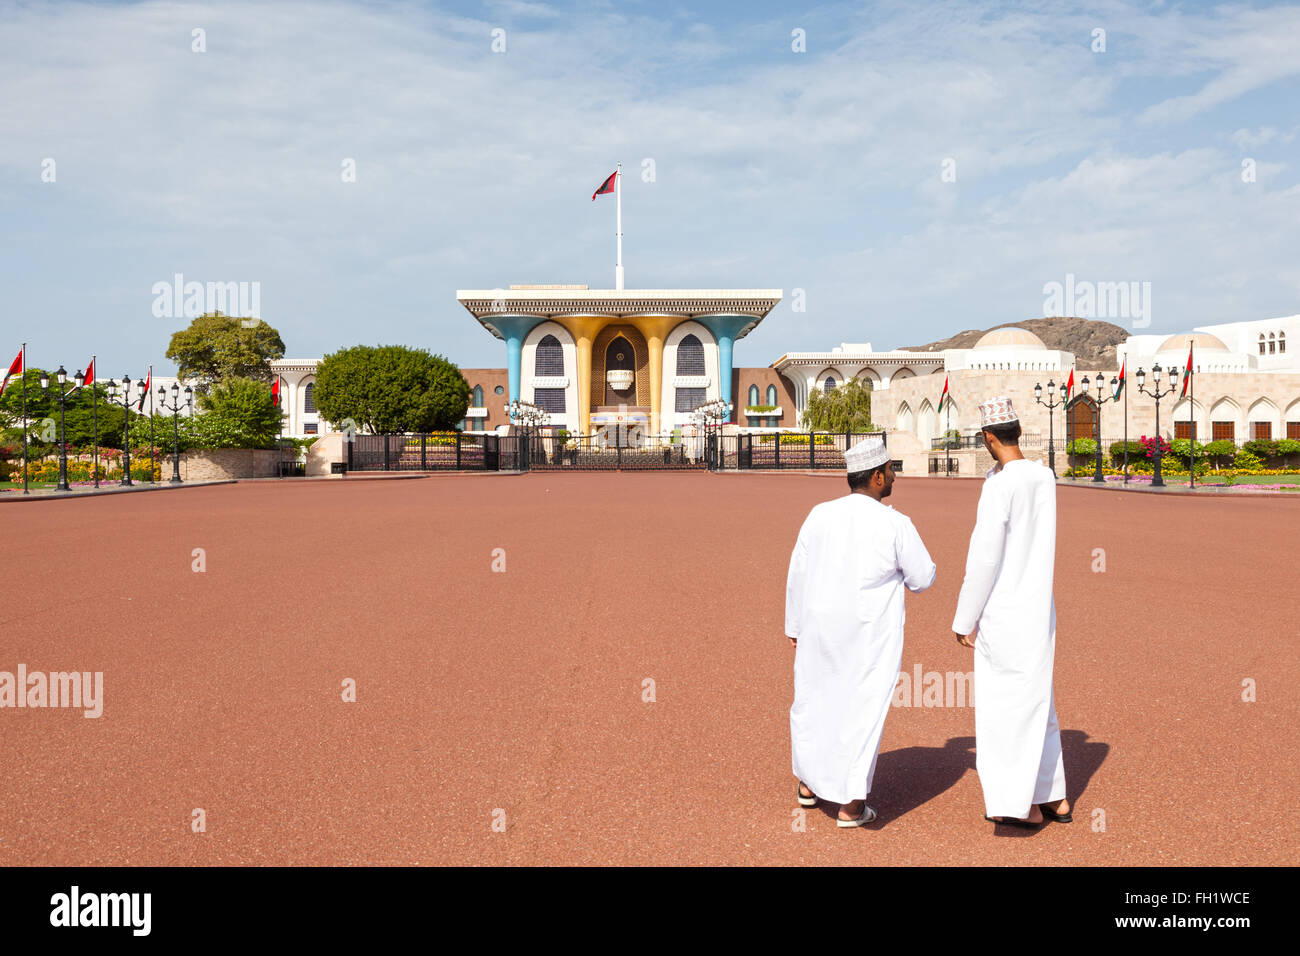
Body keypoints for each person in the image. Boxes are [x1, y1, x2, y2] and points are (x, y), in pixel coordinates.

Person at [786, 436, 936, 827]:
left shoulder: (818, 514)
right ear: (875, 478)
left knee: (813, 701)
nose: (894, 477)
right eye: (890, 471)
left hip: (818, 630)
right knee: (860, 711)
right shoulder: (894, 523)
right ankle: (851, 807)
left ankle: (807, 785)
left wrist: (794, 625)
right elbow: (923, 578)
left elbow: (797, 572)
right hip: (868, 636)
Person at [952, 396, 1071, 829]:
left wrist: (965, 618)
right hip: (1039, 607)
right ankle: (1053, 794)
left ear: (988, 438)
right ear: (1018, 431)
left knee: (1005, 708)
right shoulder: (1044, 476)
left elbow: (984, 559)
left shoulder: (999, 487)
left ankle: (1019, 803)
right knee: (1040, 700)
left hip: (1004, 611)